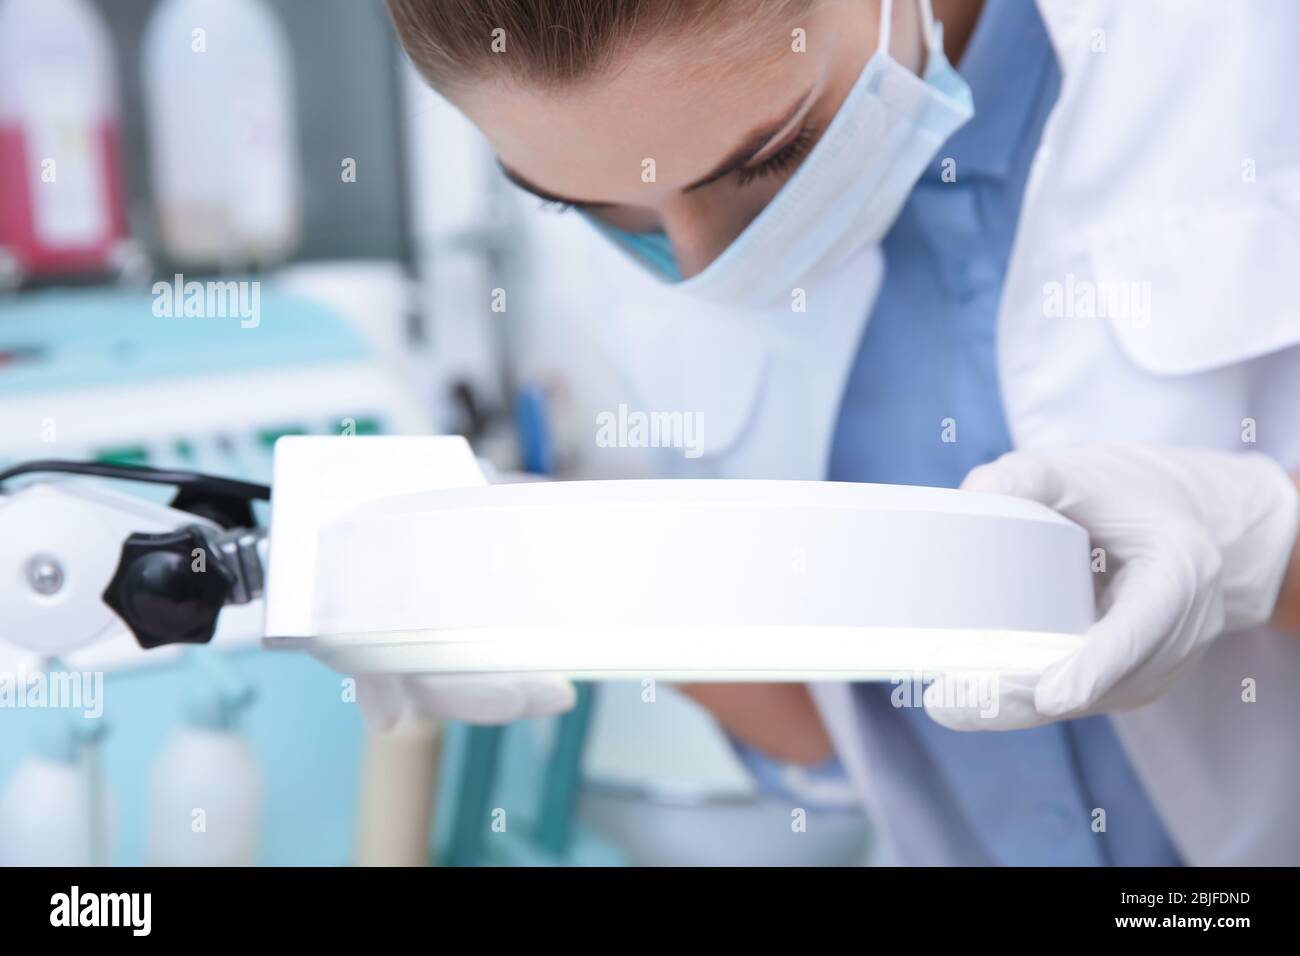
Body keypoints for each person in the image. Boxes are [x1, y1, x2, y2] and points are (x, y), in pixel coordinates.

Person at [365, 0, 1300, 864]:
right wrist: (574, 584)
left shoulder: (1244, 46)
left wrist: (1263, 538)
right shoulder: (630, 147)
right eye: (590, 207)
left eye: (771, 157)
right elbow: (834, 730)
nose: (706, 267)